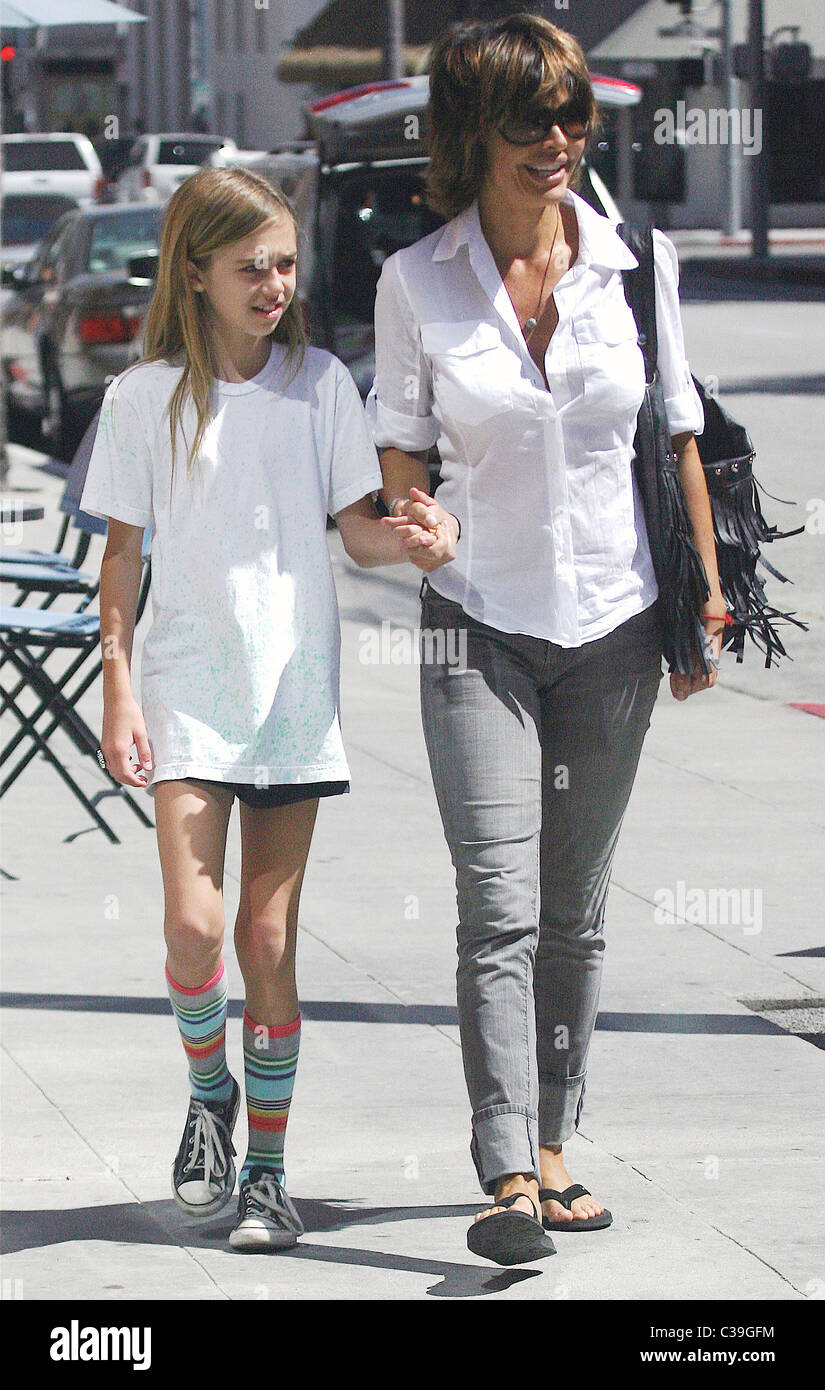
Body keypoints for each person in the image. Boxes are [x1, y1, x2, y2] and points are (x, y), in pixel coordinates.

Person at [369, 13, 728, 1266]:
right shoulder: (418, 280)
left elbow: (678, 430)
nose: (562, 140)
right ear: (474, 133)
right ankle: (507, 1165)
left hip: (618, 627)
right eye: (533, 119)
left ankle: (562, 1141)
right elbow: (401, 455)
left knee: (575, 912)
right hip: (478, 622)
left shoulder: (637, 265)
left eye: (576, 116)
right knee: (500, 905)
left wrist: (707, 595)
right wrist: (411, 522)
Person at [80, 167, 410, 1252]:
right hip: (184, 689)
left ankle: (266, 1171)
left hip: (291, 691)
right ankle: (208, 1090)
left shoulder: (322, 384)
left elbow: (356, 528)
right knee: (192, 926)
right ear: (197, 273)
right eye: (249, 266)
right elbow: (119, 562)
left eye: (282, 262)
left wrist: (411, 535)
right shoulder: (142, 400)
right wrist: (116, 685)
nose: (273, 283)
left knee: (268, 940)